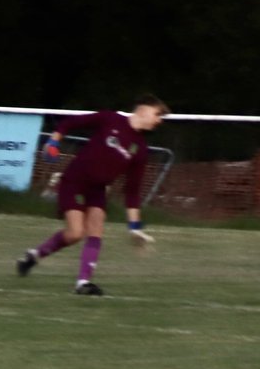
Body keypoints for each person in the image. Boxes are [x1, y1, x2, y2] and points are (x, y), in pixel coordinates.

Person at [16, 95, 169, 295]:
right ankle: (35, 255)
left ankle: (83, 282)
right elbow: (71, 122)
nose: (159, 120)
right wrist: (53, 141)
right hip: (75, 182)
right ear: (142, 109)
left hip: (97, 190)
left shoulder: (139, 149)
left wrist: (134, 228)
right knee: (75, 234)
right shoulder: (111, 119)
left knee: (96, 228)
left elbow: (132, 191)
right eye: (158, 114)